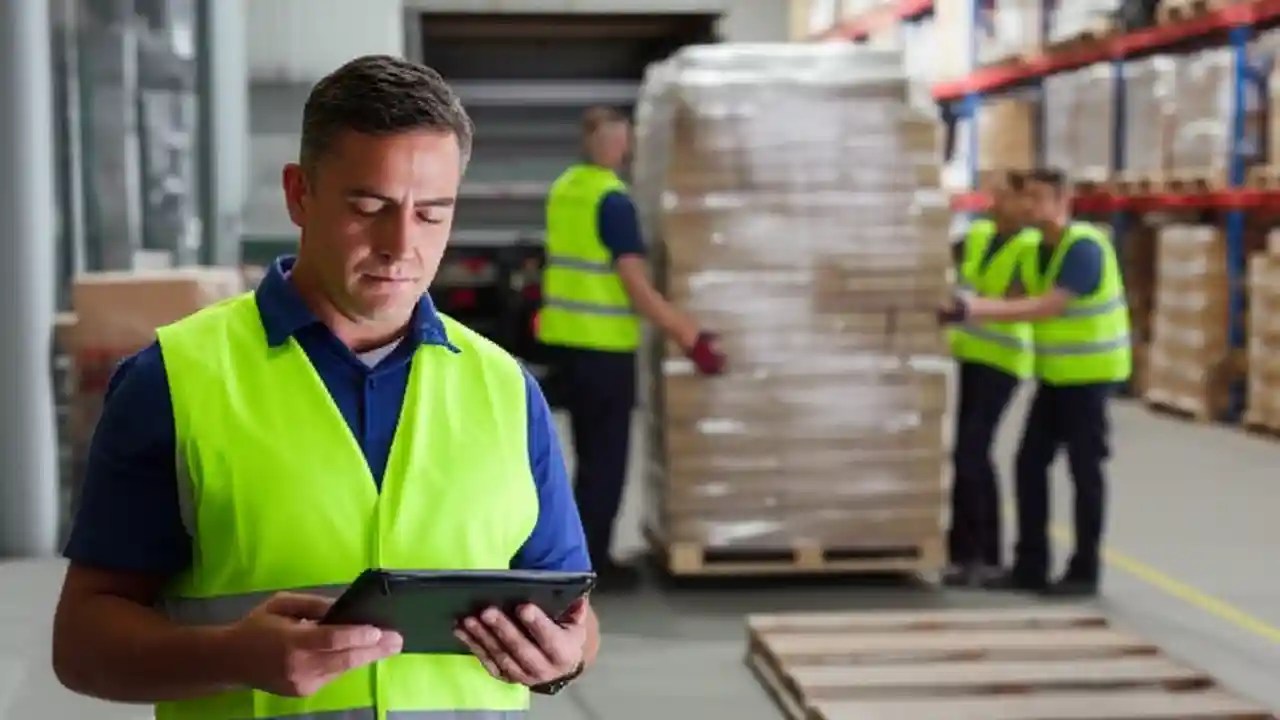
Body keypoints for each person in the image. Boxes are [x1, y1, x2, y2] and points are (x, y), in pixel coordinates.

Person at [51, 55, 598, 718]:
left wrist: (563, 658)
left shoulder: (507, 391)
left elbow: (575, 618)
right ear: (298, 194)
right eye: (370, 207)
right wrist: (231, 657)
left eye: (432, 213)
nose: (402, 245)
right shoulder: (173, 381)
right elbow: (81, 643)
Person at [536, 106, 726, 589]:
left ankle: (572, 555)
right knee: (605, 462)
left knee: (578, 459)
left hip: (565, 343)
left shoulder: (564, 190)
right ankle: (592, 563)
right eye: (620, 138)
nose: (624, 147)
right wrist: (688, 336)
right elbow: (636, 287)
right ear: (611, 144)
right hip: (603, 350)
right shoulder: (612, 201)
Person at [940, 168, 1130, 598]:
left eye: (1041, 197)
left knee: (1085, 473)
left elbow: (1048, 306)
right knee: (1028, 465)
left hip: (1090, 378)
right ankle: (1030, 566)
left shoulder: (1083, 248)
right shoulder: (1035, 249)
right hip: (1054, 377)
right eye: (1027, 197)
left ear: (1064, 201)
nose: (1030, 206)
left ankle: (1084, 570)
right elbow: (1012, 293)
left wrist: (972, 310)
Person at [942, 171, 1039, 588]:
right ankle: (961, 551)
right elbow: (947, 268)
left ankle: (986, 553)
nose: (996, 198)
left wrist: (967, 307)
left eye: (1006, 192)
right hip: (966, 354)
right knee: (961, 451)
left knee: (973, 451)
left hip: (1002, 359)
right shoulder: (978, 234)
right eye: (995, 190)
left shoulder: (1029, 246)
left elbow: (1017, 300)